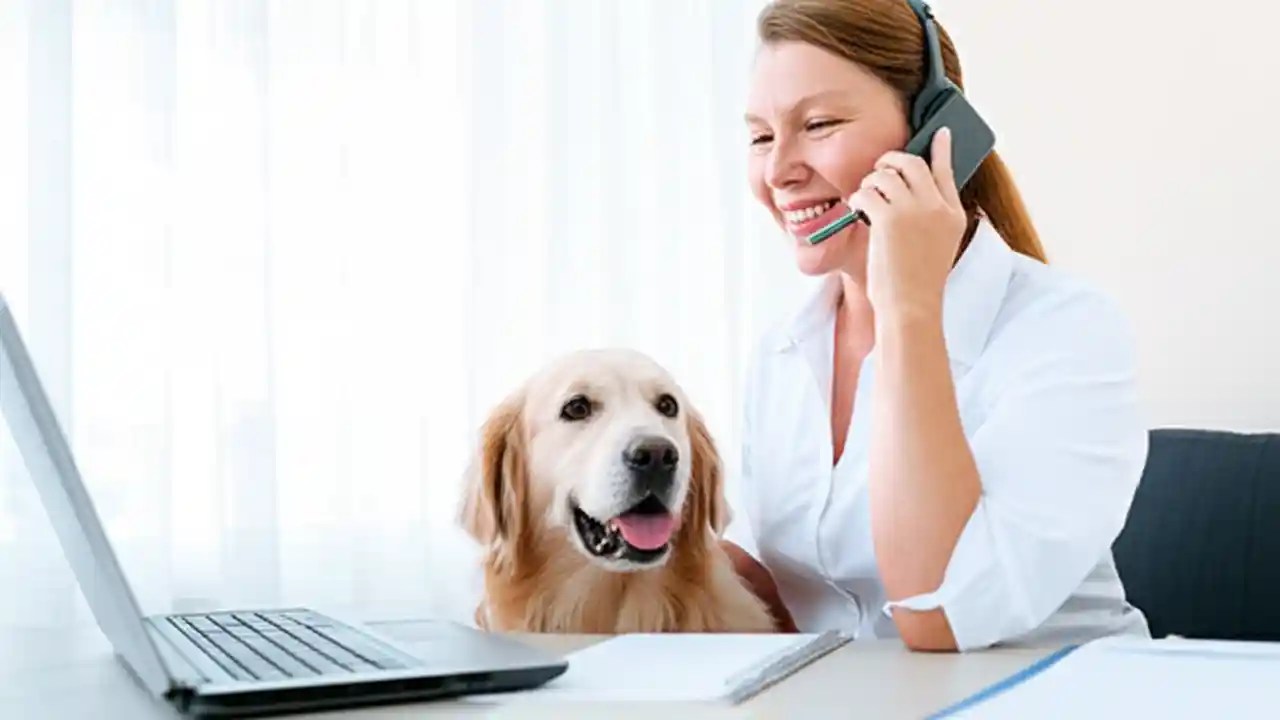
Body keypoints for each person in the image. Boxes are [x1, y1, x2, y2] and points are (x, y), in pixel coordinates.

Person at [722, 0, 1152, 652]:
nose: (779, 169)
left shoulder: (1066, 332)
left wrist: (910, 308)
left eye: (818, 124)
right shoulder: (782, 352)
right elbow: (783, 595)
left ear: (933, 131)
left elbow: (939, 613)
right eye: (759, 136)